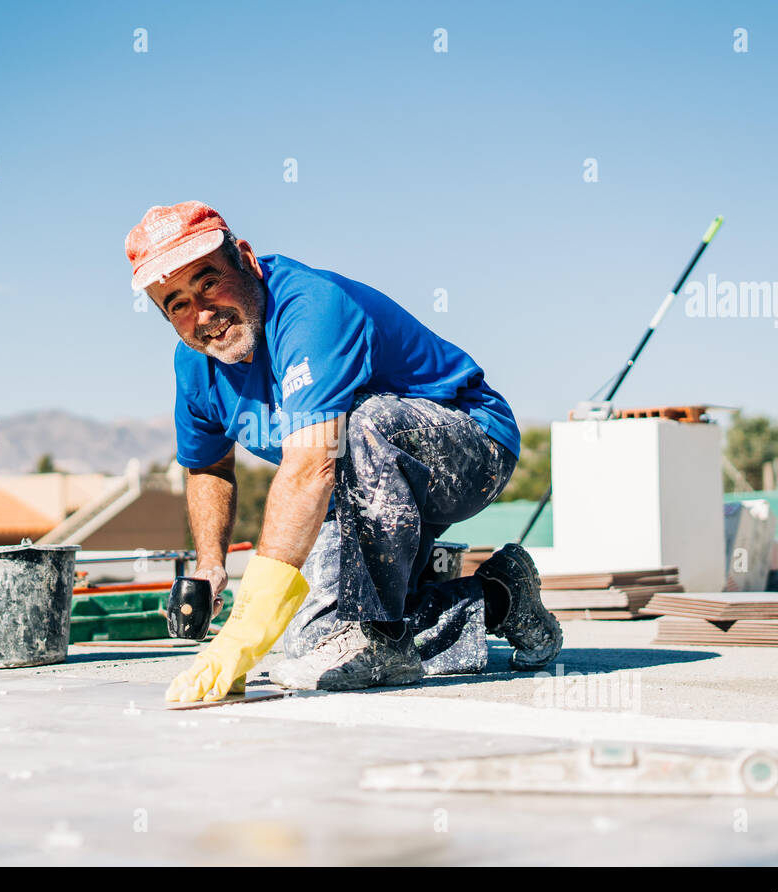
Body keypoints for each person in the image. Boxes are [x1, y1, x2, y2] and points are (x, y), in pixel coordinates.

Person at [124, 201, 562, 702]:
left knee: (357, 425)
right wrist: (209, 566)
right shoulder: (195, 367)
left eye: (207, 282)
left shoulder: (311, 309)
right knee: (313, 641)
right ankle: (501, 598)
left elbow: (313, 465)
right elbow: (208, 465)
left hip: (470, 448)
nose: (202, 313)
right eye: (176, 304)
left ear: (244, 257)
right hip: (358, 491)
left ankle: (381, 637)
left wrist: (243, 631)